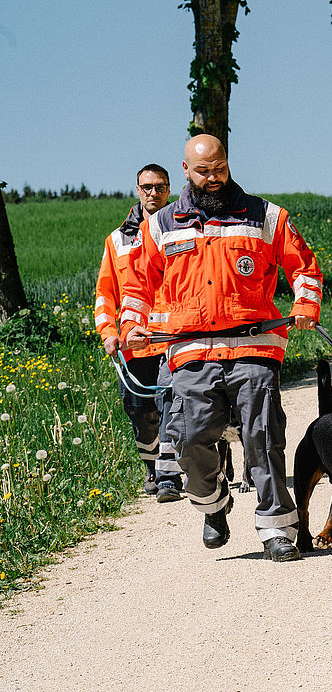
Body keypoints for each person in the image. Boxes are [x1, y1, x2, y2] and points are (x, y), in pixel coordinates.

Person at [121, 134, 322, 562]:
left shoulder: (266, 216)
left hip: (255, 346)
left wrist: (305, 304)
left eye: (220, 168)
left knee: (263, 438)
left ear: (228, 163)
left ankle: (277, 530)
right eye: (203, 171)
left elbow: (303, 266)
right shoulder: (159, 226)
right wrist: (132, 324)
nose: (213, 178)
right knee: (188, 438)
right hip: (191, 351)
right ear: (185, 170)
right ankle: (213, 504)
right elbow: (137, 284)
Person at [94, 163, 184, 502]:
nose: (153, 193)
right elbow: (106, 293)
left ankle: (167, 476)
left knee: (172, 403)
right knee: (140, 410)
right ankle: (151, 463)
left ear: (169, 189)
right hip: (135, 342)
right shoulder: (117, 241)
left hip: (174, 338)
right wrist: (107, 332)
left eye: (160, 187)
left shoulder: (181, 230)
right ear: (137, 190)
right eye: (147, 187)